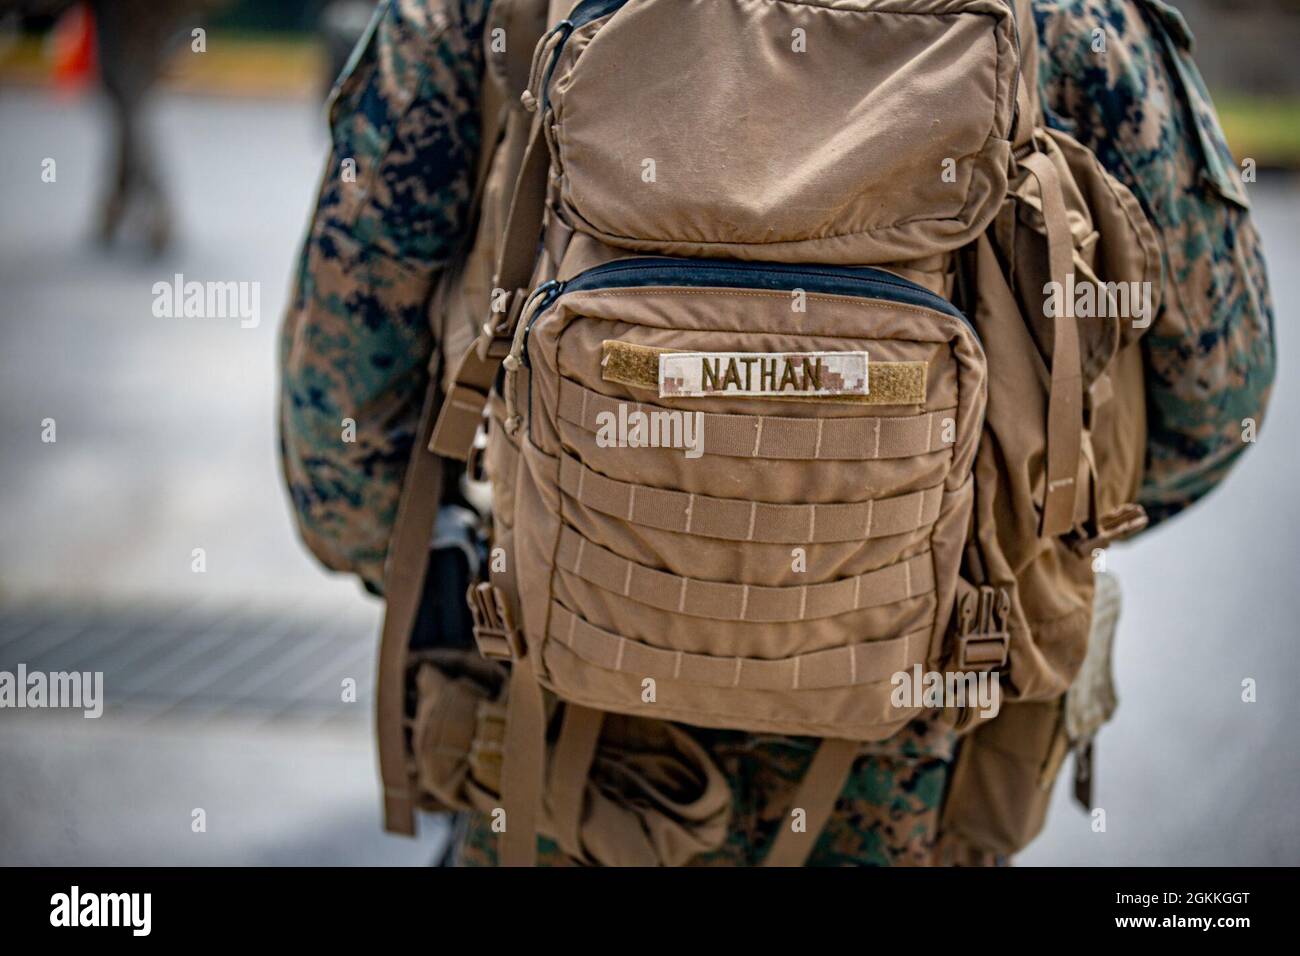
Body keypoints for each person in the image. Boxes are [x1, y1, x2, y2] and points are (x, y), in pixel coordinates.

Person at [279, 0, 1275, 866]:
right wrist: (971, 544)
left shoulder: (469, 14)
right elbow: (1215, 400)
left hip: (561, 765)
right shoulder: (1073, 18)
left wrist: (528, 570)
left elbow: (338, 434)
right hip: (919, 762)